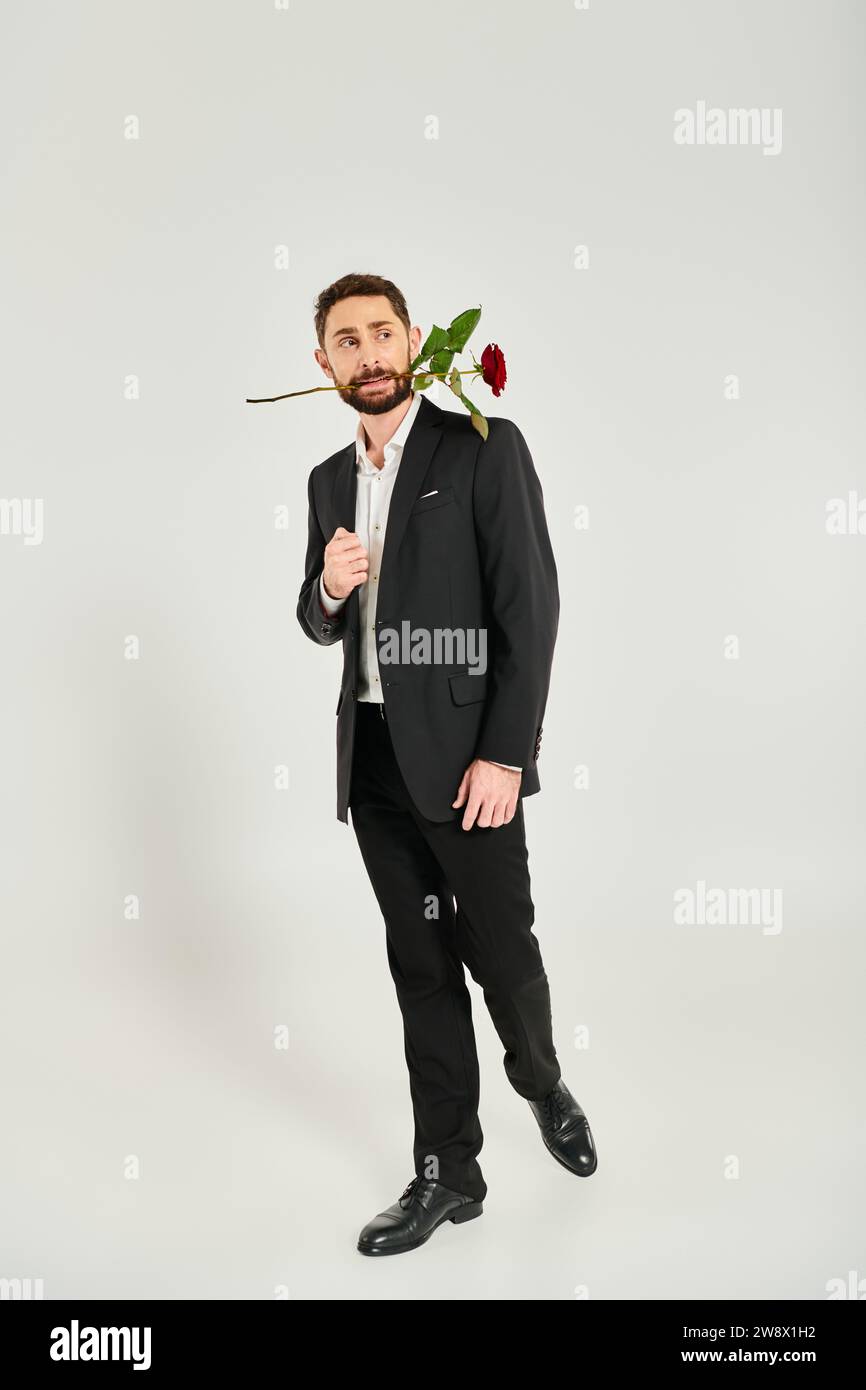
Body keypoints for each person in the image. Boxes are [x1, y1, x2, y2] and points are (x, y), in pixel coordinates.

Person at [297, 272, 597, 1257]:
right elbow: (316, 621)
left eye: (381, 333)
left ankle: (540, 1079)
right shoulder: (326, 482)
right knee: (420, 966)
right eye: (347, 341)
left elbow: (529, 610)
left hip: (471, 762)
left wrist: (506, 753)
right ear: (324, 363)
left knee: (501, 958)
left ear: (413, 342)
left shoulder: (480, 448)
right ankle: (445, 1172)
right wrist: (326, 590)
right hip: (375, 764)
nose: (368, 353)